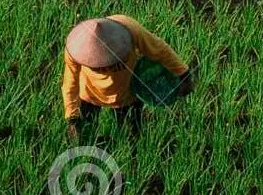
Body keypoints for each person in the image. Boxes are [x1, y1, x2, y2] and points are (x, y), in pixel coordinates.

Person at [62, 14, 191, 131]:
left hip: (127, 93)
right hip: (90, 93)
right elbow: (70, 83)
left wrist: (183, 75)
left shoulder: (130, 29)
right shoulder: (75, 48)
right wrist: (72, 118)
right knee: (86, 131)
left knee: (131, 133)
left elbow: (159, 50)